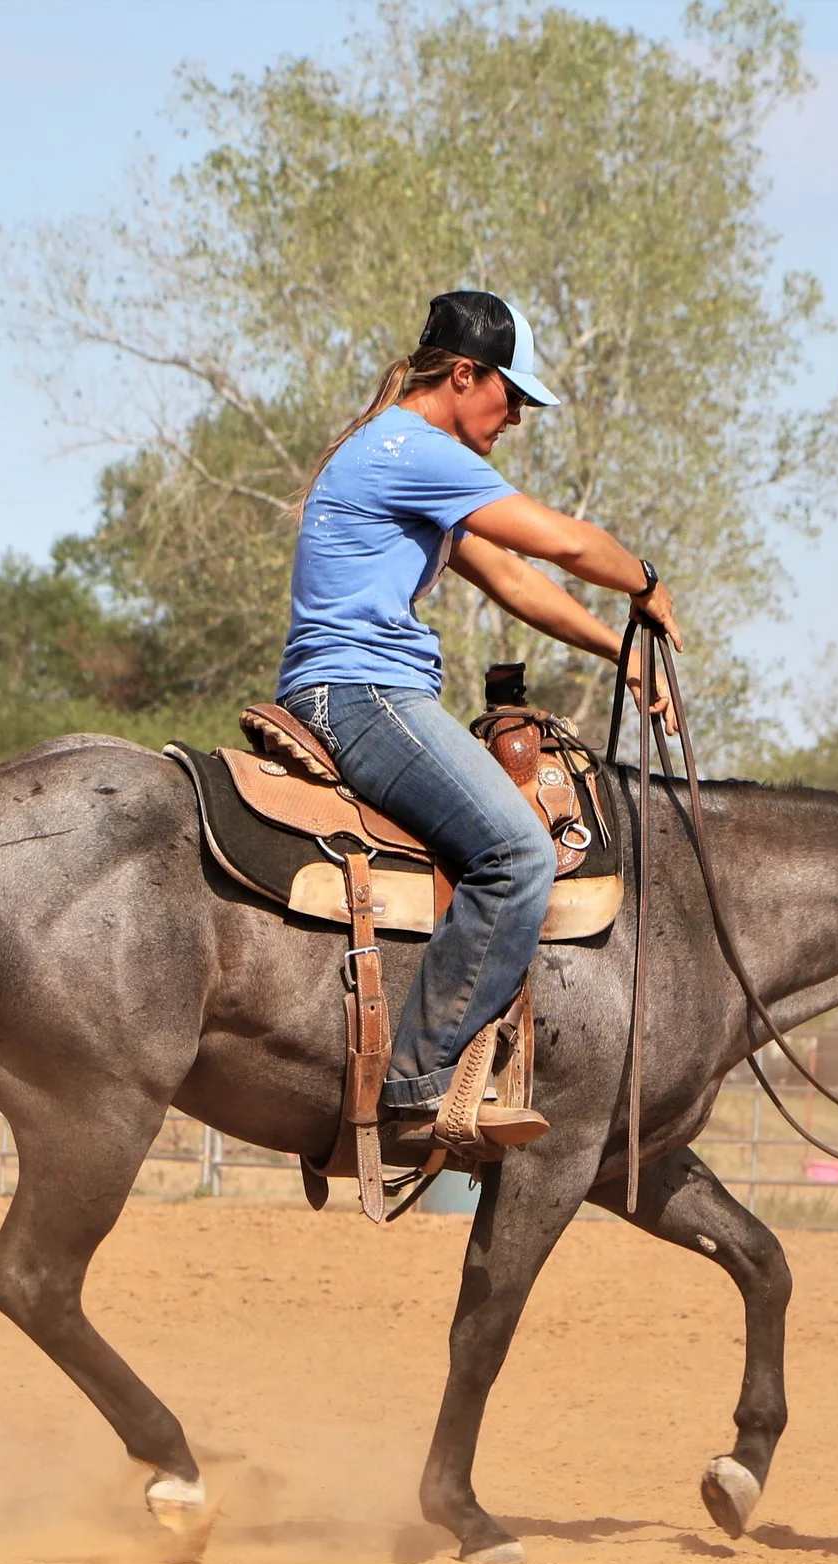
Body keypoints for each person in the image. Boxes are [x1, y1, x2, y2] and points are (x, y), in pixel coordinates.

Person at [278, 289, 682, 1145]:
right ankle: (418, 1086)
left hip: (344, 687)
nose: (519, 419)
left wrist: (620, 648)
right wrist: (644, 580)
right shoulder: (415, 450)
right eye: (513, 396)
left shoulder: (385, 452)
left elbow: (516, 580)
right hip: (363, 694)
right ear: (464, 375)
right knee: (516, 851)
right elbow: (563, 544)